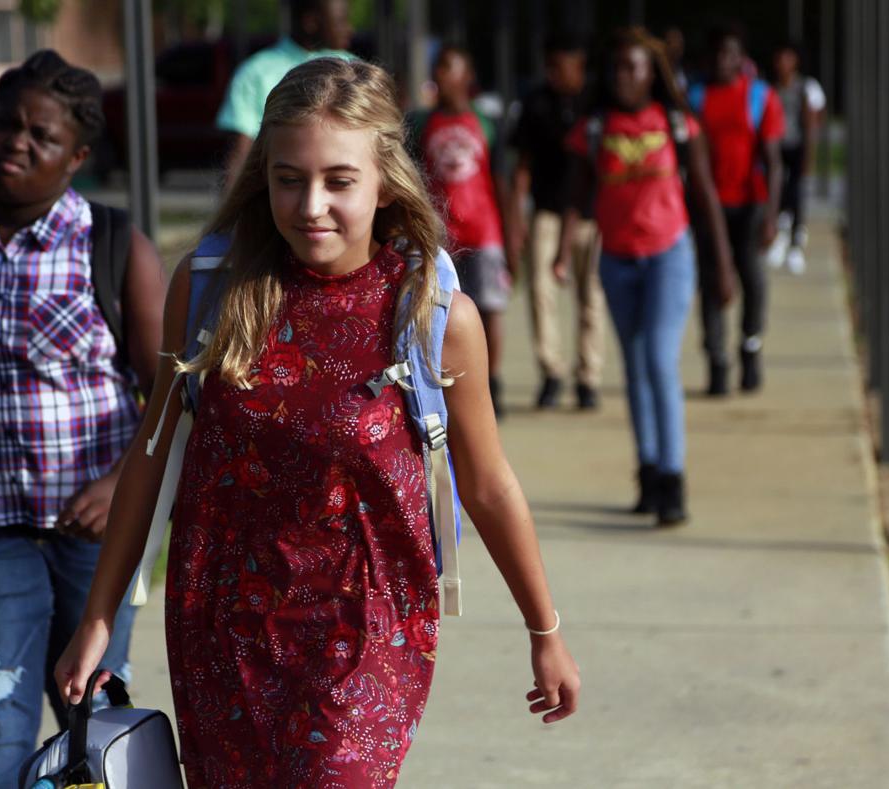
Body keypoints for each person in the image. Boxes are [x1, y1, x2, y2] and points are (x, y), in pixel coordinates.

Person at [54, 57, 580, 788]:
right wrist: (99, 620)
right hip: (222, 626)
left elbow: (488, 484)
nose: (310, 206)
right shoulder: (210, 292)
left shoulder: (432, 317)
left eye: (339, 180)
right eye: (288, 178)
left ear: (385, 181)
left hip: (365, 632)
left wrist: (544, 629)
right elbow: (151, 458)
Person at [0, 50, 167, 788]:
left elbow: (172, 396)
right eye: (4, 123)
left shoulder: (113, 248)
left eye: (39, 136)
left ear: (76, 157)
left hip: (94, 539)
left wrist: (119, 484)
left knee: (96, 728)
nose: (15, 142)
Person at [560, 28, 735, 525]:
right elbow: (575, 192)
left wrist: (722, 267)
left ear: (652, 73)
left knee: (659, 360)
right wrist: (557, 250)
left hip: (668, 256)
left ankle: (674, 480)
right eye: (617, 68)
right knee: (634, 368)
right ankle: (649, 471)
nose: (624, 77)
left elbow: (703, 197)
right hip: (617, 261)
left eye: (634, 67)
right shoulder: (594, 127)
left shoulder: (676, 123)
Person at [409, 45, 512, 416]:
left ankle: (491, 381)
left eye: (449, 67)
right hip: (441, 237)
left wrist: (512, 240)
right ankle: (451, 384)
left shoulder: (486, 122)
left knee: (489, 310)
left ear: (467, 76)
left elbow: (502, 184)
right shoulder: (421, 124)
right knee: (443, 312)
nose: (441, 75)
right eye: (438, 67)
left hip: (484, 234)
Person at [508, 32, 606, 411]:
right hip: (547, 214)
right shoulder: (536, 103)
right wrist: (517, 219)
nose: (551, 72)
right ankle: (551, 371)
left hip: (590, 217)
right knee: (541, 293)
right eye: (547, 65)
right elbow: (522, 168)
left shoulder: (596, 104)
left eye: (558, 65)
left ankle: (588, 378)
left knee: (591, 296)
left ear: (578, 65)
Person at [688, 23, 785, 396]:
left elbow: (774, 161)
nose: (721, 61)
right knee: (712, 283)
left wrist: (772, 217)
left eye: (729, 53)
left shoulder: (760, 96)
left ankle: (750, 345)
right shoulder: (696, 98)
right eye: (715, 54)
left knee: (753, 278)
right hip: (707, 203)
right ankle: (716, 359)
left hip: (750, 203)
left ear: (741, 58)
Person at [216, 0, 353, 190]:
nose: (349, 28)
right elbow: (241, 153)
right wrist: (230, 213)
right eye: (341, 21)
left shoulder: (353, 69)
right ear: (310, 21)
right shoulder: (256, 73)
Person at [766, 40, 826, 276]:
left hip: (797, 146)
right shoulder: (771, 87)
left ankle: (796, 240)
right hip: (777, 146)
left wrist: (809, 155)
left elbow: (813, 119)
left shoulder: (806, 87)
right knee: (779, 189)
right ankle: (781, 231)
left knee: (796, 191)